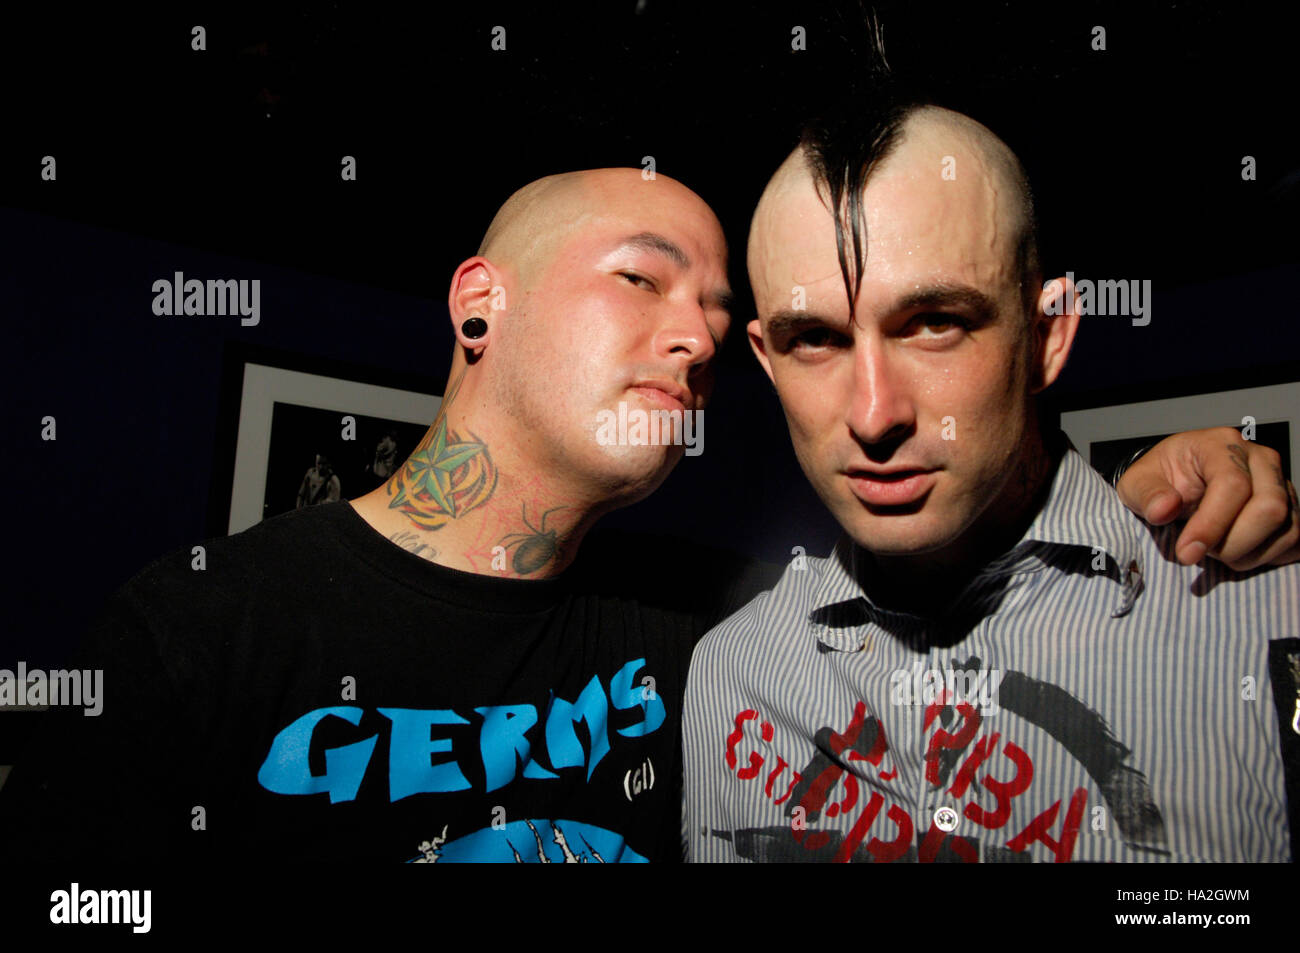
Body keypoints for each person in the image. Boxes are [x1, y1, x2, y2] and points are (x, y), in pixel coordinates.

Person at [0, 168, 1292, 864]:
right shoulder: (206, 618)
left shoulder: (706, 623)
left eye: (726, 319)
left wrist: (1167, 488)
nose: (697, 337)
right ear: (477, 306)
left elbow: (990, 617)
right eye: (642, 280)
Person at [683, 103, 1300, 863]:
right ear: (768, 361)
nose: (875, 415)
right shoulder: (732, 677)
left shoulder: (1260, 611)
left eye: (935, 321)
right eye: (815, 338)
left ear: (1047, 336)